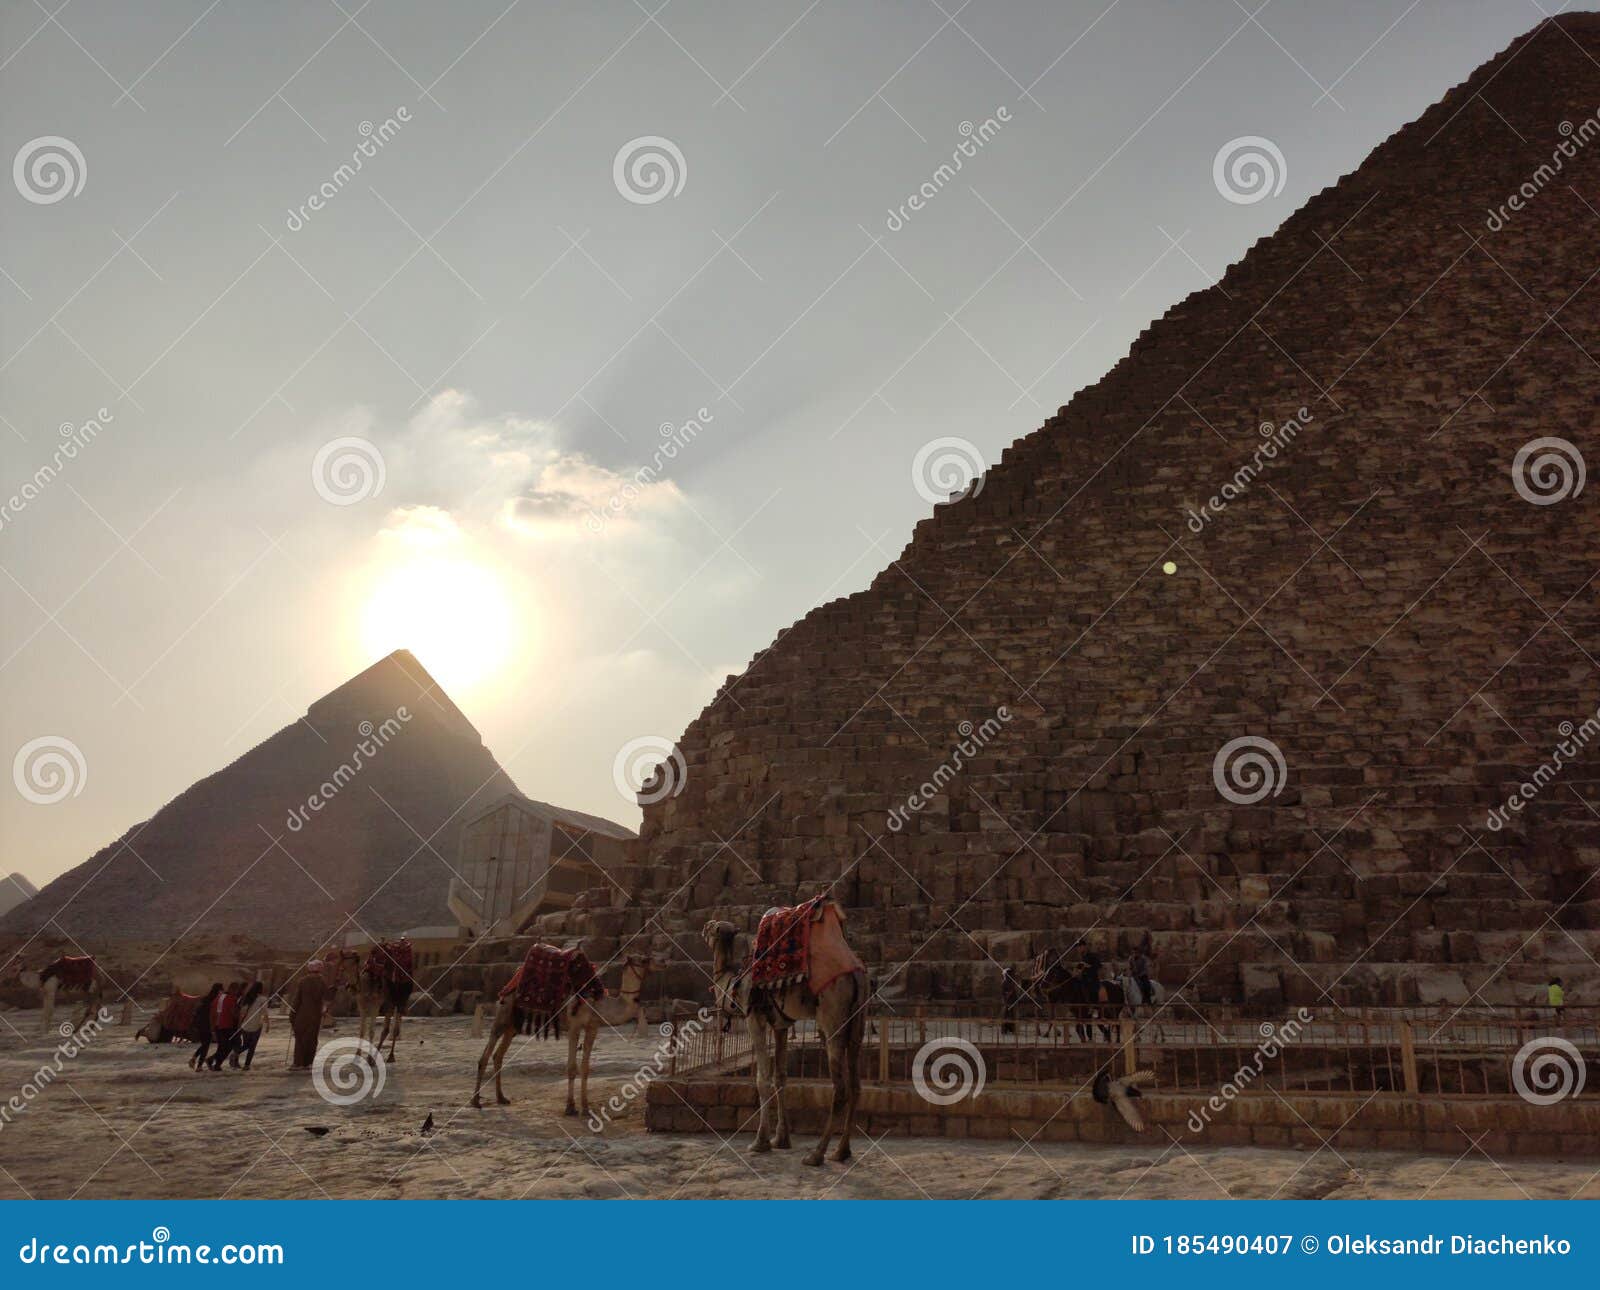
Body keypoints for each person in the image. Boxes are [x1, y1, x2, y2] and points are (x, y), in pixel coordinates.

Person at [289, 961, 327, 1070]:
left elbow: (297, 1000)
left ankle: (298, 1063)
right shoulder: (323, 982)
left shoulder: (303, 981)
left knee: (300, 1038)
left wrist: (292, 1015)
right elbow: (326, 999)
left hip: (302, 1014)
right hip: (316, 1015)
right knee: (312, 1038)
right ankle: (308, 1063)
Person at [230, 982, 268, 1069]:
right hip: (256, 1025)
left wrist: (240, 1025)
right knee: (252, 1046)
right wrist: (268, 1024)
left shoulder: (247, 998)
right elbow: (264, 1013)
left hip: (245, 1025)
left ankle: (236, 1053)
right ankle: (247, 1065)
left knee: (246, 1044)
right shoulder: (262, 999)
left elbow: (242, 1013)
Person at [206, 982, 243, 1070]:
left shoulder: (219, 997)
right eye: (236, 990)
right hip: (227, 1025)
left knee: (222, 1047)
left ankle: (213, 1062)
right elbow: (234, 1013)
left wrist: (212, 1027)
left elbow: (212, 1012)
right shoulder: (232, 998)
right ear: (233, 989)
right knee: (230, 1046)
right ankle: (215, 1063)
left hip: (217, 1025)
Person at [189, 983, 224, 1071]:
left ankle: (194, 1058)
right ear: (219, 990)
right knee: (206, 1045)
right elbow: (214, 1014)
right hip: (208, 1025)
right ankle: (199, 1066)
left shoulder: (205, 998)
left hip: (200, 1024)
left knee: (205, 1044)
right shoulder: (216, 1000)